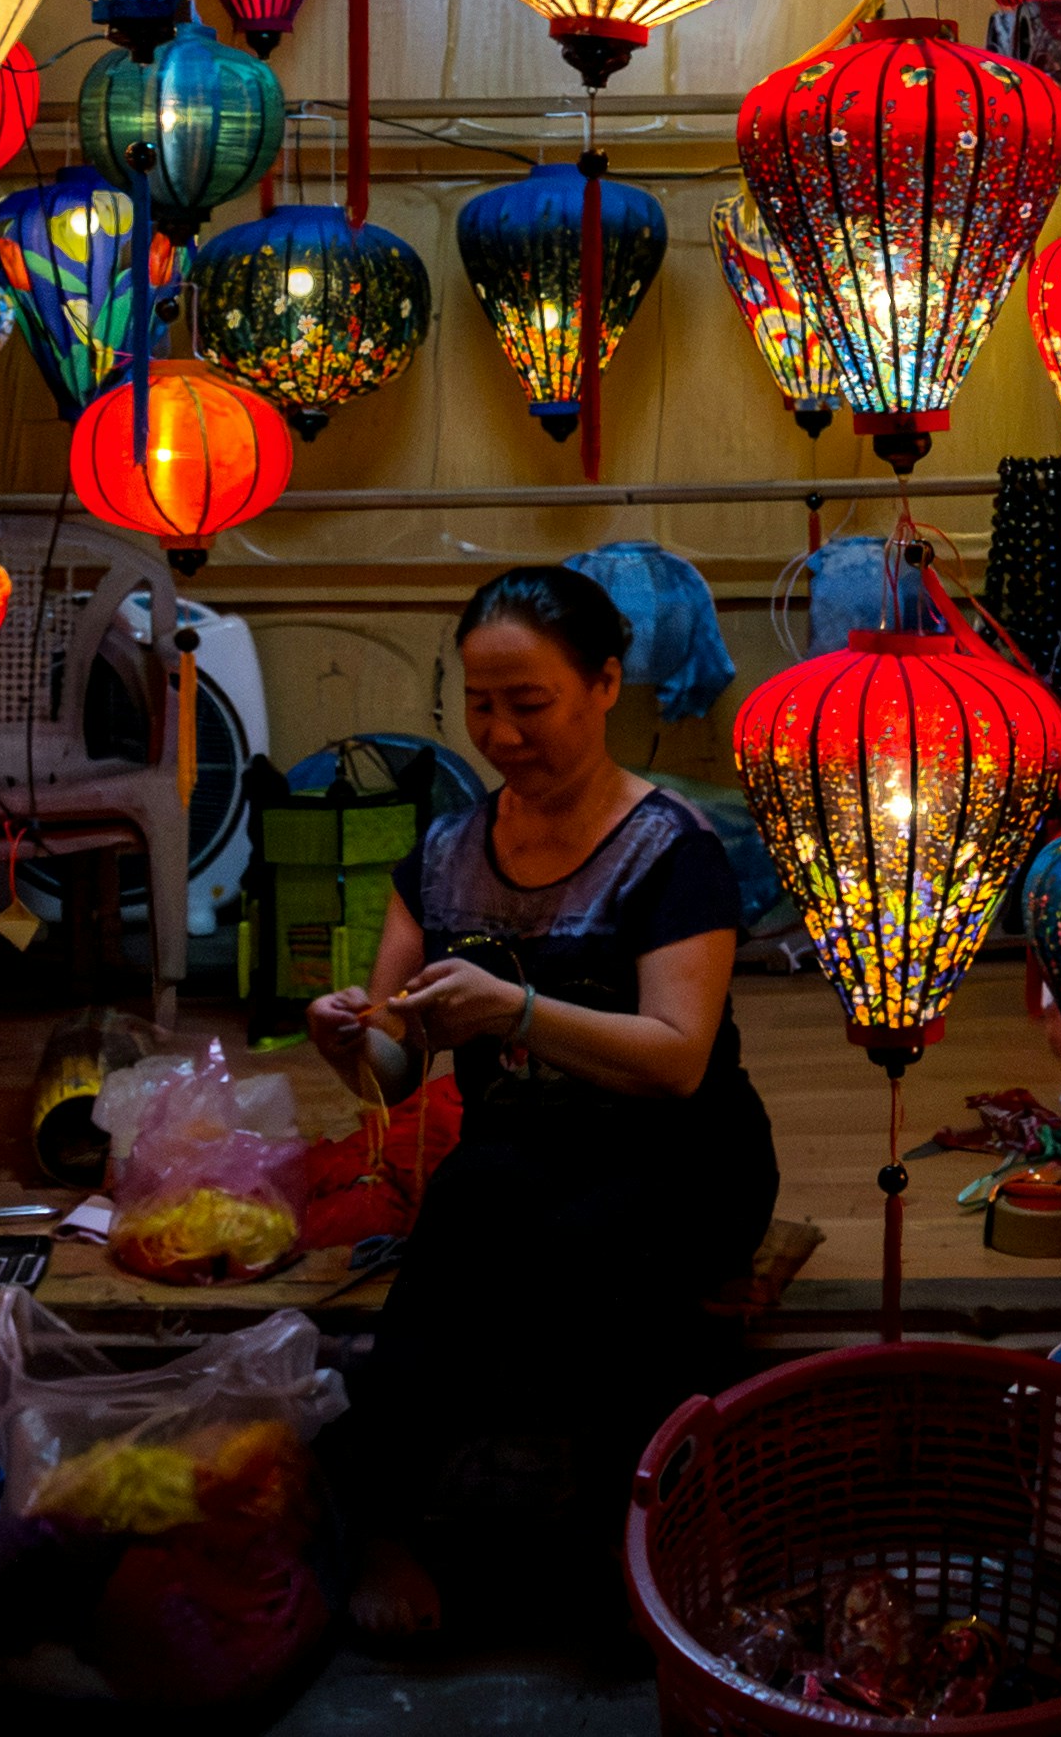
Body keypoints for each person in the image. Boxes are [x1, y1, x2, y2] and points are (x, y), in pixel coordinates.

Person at [305, 564, 781, 1646]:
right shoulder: (440, 854)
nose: (502, 732)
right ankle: (385, 1524)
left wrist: (515, 1010)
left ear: (605, 684)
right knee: (460, 1227)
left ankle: (625, 1543)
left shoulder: (672, 850)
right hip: (524, 1143)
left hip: (682, 1150)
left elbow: (674, 1062)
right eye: (481, 704)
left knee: (588, 1256)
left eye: (530, 703)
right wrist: (352, 1039)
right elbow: (395, 1070)